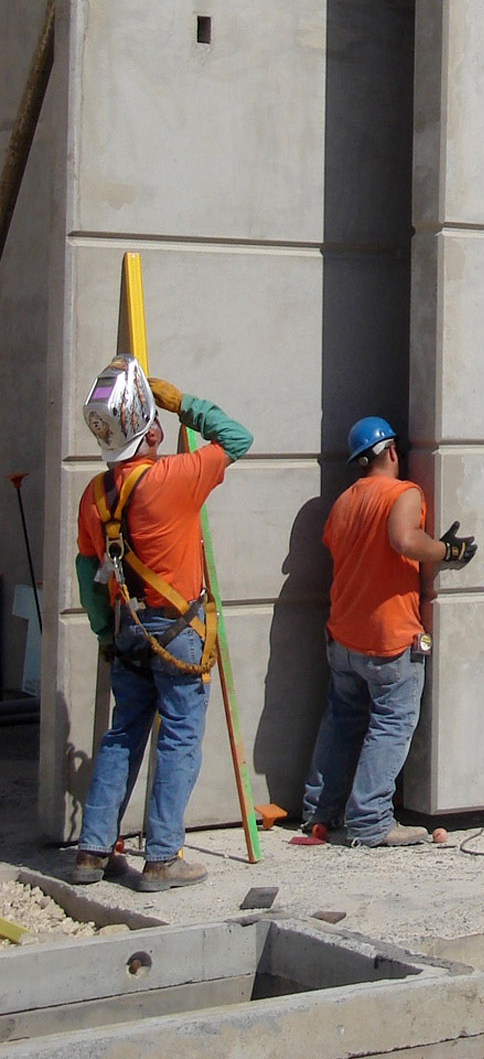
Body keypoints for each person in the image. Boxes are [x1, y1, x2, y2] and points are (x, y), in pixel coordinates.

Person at [73, 356, 253, 890]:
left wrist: (106, 633)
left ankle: (92, 851)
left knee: (123, 732)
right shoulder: (173, 479)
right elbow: (237, 439)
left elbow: (88, 574)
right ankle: (163, 857)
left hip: (128, 626)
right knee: (177, 736)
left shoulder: (95, 494)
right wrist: (184, 404)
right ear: (147, 429)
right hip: (176, 628)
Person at [301, 416, 478, 846]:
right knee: (392, 723)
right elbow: (403, 540)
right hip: (389, 638)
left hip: (344, 636)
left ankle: (319, 812)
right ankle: (370, 820)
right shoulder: (403, 493)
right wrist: (443, 550)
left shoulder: (345, 501)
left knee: (342, 719)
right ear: (393, 452)